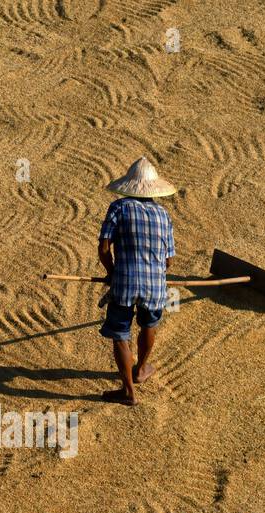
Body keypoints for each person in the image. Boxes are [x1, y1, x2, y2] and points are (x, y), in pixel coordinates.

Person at [97, 157, 176, 405]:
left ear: (129, 186)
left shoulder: (118, 208)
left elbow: (103, 248)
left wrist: (112, 272)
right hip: (155, 286)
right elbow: (169, 261)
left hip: (124, 282)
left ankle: (128, 391)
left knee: (120, 333)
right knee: (148, 325)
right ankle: (141, 368)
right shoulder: (164, 215)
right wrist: (156, 273)